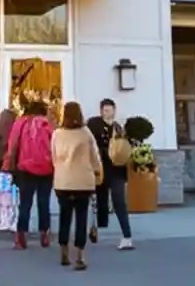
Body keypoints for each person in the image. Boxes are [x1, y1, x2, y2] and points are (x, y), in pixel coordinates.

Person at [51, 101, 102, 271]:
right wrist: (97, 171)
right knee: (81, 217)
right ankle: (80, 255)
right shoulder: (85, 133)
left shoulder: (57, 134)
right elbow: (94, 157)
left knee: (64, 216)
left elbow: (54, 157)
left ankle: (63, 252)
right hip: (83, 181)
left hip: (63, 181)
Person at [4, 100, 54, 249]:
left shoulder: (21, 123)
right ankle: (44, 233)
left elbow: (12, 145)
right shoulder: (48, 124)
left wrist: (7, 164)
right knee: (43, 202)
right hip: (46, 168)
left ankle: (21, 235)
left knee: (25, 203)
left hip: (25, 167)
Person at [87, 98, 134, 250]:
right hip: (101, 168)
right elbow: (90, 144)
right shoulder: (93, 124)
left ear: (114, 110)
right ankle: (99, 229)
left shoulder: (118, 127)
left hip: (116, 170)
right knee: (100, 201)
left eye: (109, 110)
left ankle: (127, 235)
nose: (107, 113)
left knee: (119, 200)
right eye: (104, 110)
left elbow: (124, 146)